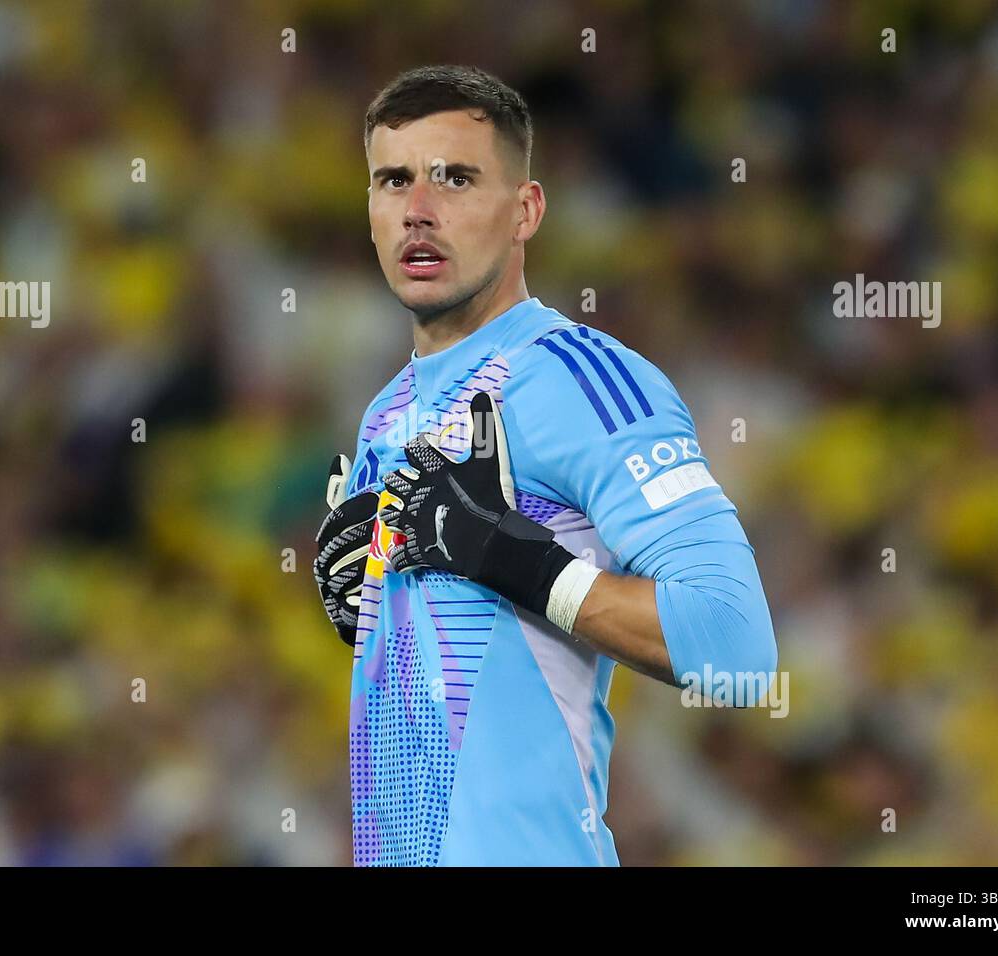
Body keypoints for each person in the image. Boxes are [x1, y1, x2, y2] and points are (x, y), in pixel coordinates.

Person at [313, 65, 777, 866]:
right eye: (394, 181)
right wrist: (371, 614)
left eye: (456, 179)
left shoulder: (577, 377)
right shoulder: (384, 414)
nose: (419, 210)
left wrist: (519, 562)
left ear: (526, 210)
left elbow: (736, 653)